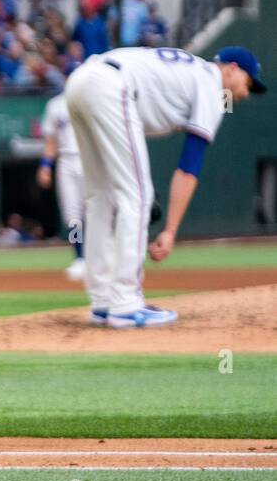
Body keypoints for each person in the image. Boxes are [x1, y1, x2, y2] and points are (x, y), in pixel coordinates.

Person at [64, 45, 265, 328]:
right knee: (137, 195)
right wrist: (170, 231)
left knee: (101, 197)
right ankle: (125, 302)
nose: (245, 93)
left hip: (80, 81)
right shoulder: (211, 84)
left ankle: (103, 301)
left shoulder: (192, 72)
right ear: (231, 69)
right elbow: (188, 167)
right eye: (248, 83)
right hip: (111, 88)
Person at [38, 85, 85, 281]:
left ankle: (101, 258)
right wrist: (45, 165)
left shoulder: (93, 98)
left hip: (91, 159)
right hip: (66, 160)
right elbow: (51, 141)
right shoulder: (56, 104)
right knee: (72, 215)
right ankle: (80, 258)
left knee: (96, 212)